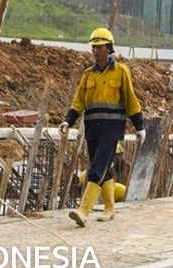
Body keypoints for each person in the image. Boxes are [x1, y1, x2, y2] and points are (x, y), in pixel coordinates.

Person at [60, 27, 145, 226]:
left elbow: (130, 99)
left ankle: (83, 211)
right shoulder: (88, 75)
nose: (95, 50)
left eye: (99, 47)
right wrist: (68, 120)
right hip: (93, 130)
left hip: (111, 131)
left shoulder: (121, 72)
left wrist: (139, 125)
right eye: (94, 47)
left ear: (109, 48)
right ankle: (110, 208)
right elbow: (78, 102)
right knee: (105, 171)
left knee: (96, 169)